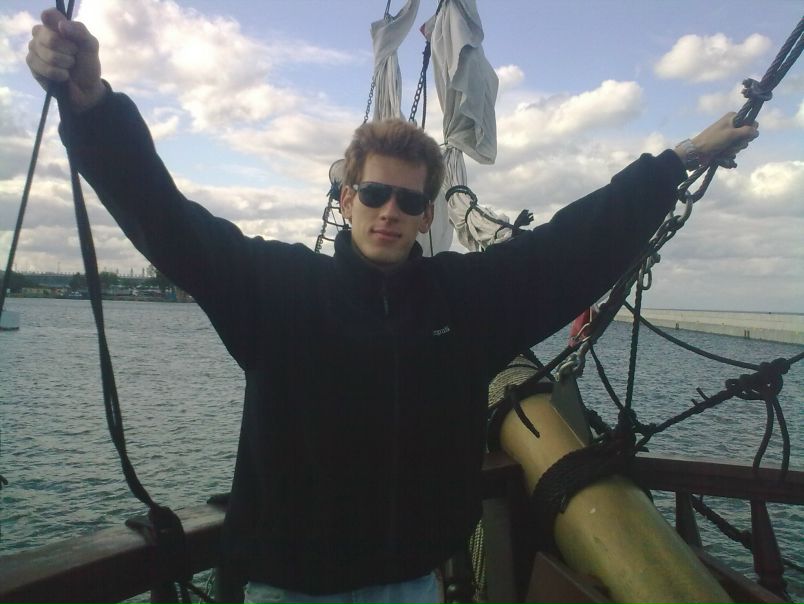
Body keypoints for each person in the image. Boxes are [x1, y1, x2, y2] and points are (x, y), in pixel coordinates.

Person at [26, 8, 758, 604]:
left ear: (426, 213)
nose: (390, 211)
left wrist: (681, 159)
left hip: (410, 584)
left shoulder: (463, 302)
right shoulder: (278, 290)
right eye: (374, 193)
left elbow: (571, 248)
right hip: (291, 588)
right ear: (347, 199)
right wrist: (91, 108)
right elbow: (168, 221)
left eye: (409, 201)